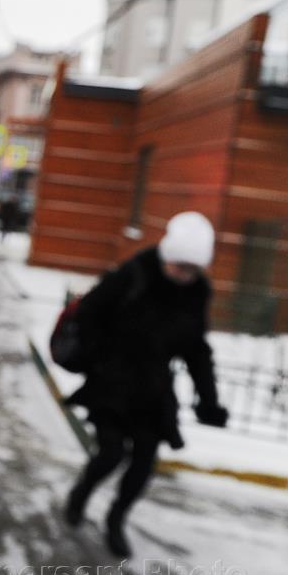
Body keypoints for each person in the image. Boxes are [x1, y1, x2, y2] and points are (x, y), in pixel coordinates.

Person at [63, 211, 230, 557]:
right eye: (179, 266)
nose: (184, 275)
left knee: (143, 463)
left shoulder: (197, 292)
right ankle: (80, 495)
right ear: (167, 255)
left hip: (153, 390)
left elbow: (196, 350)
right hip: (111, 383)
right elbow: (91, 312)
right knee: (110, 453)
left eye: (192, 269)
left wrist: (209, 400)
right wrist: (98, 359)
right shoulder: (136, 272)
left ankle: (115, 520)